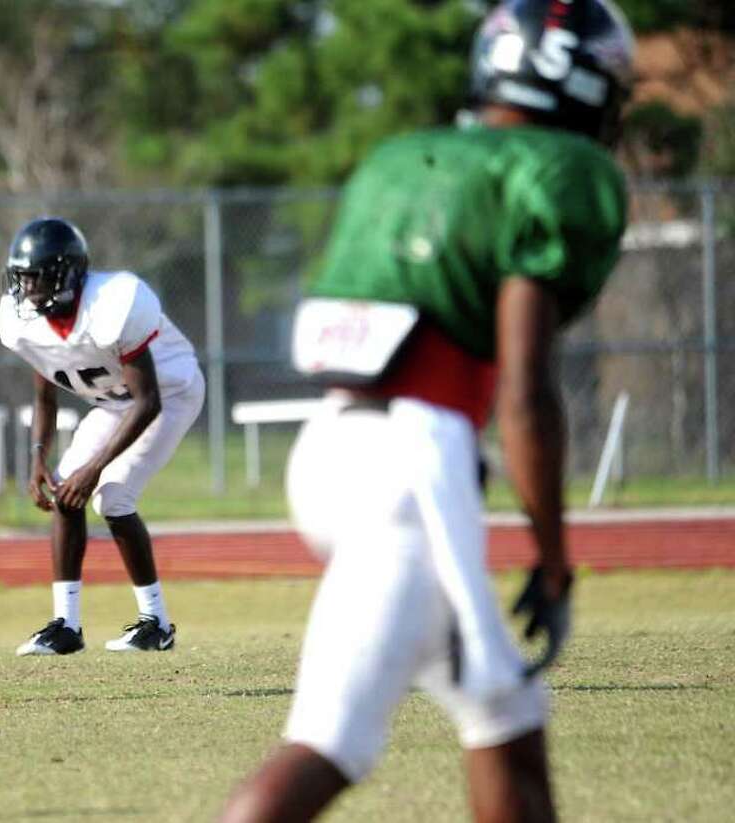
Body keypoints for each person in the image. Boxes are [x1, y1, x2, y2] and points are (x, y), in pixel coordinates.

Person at [221, 1, 634, 820]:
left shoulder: (402, 159)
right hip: (411, 469)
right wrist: (554, 559)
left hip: (334, 446)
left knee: (504, 710)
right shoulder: (558, 170)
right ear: (584, 85)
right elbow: (524, 391)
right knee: (330, 742)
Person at [0, 217, 204, 655]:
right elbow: (44, 397)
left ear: (68, 274)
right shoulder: (25, 323)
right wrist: (38, 458)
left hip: (171, 394)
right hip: (114, 403)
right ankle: (66, 626)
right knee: (64, 490)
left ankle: (156, 624)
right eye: (23, 277)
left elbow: (147, 402)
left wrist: (95, 469)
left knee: (113, 497)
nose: (29, 288)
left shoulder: (113, 303)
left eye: (39, 277)